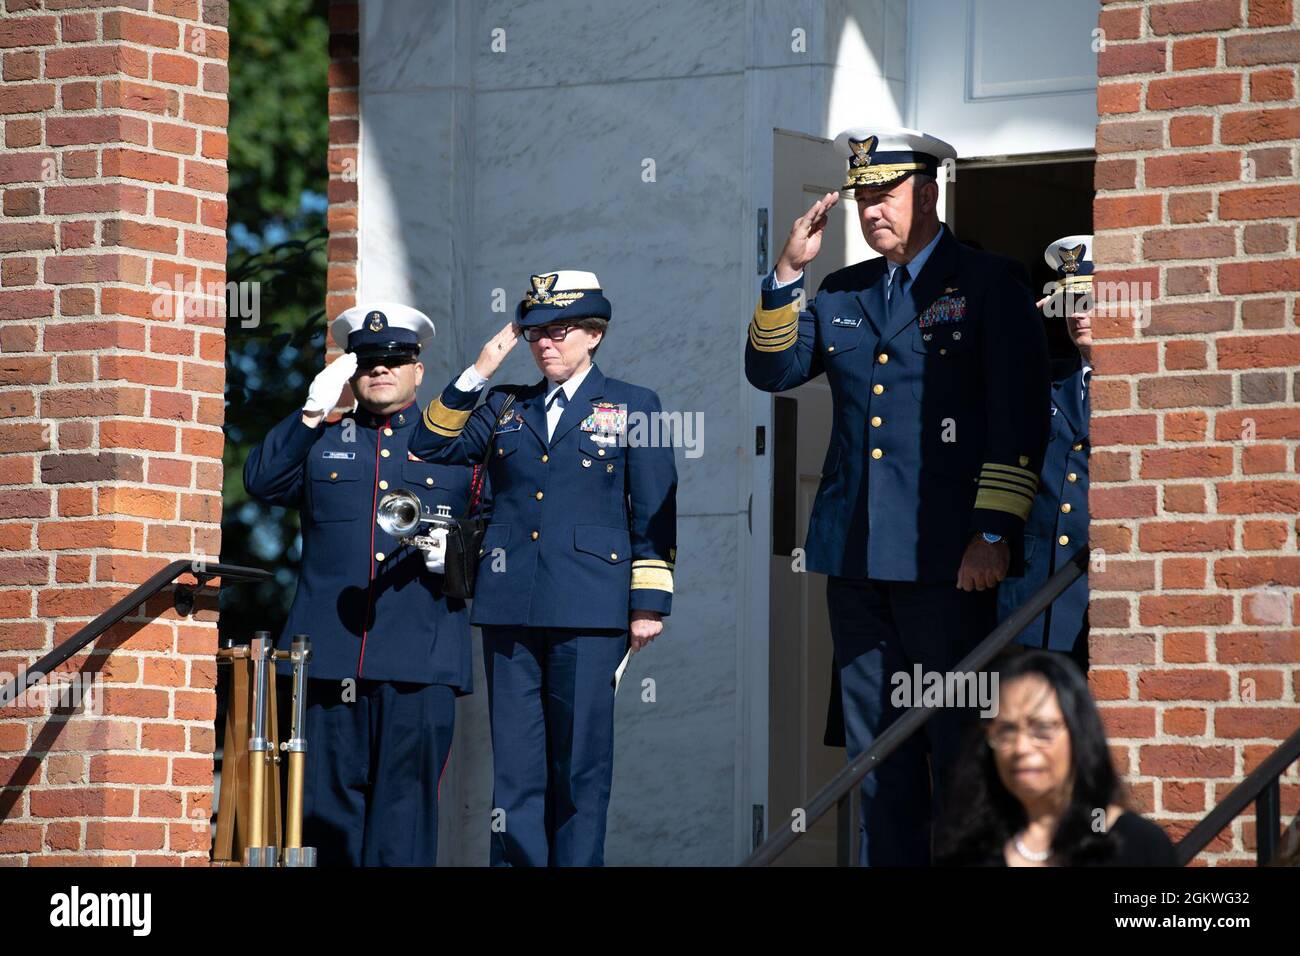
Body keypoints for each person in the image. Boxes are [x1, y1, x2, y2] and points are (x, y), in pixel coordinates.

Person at [745, 126, 1051, 865]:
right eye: (863, 199)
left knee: (955, 745)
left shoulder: (988, 284)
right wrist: (787, 272)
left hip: (949, 560)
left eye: (886, 195)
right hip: (855, 558)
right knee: (874, 750)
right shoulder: (841, 289)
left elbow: (1019, 417)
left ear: (929, 191)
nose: (873, 210)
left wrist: (994, 531)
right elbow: (773, 372)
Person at [408, 270, 678, 866]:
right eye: (532, 333)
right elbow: (430, 445)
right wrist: (479, 371)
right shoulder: (505, 405)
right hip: (511, 606)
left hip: (590, 607)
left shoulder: (635, 404)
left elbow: (656, 506)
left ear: (594, 334)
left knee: (580, 767)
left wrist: (648, 602)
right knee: (517, 771)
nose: (543, 343)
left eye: (557, 330)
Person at [243, 302, 477, 866]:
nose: (381, 370)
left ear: (418, 369)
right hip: (328, 662)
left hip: (420, 664)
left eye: (395, 360)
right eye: (369, 361)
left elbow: (495, 537)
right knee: (326, 821)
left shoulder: (457, 443)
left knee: (404, 824)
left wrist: (460, 555)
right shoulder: (322, 438)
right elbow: (262, 481)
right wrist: (309, 413)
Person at [935, 649, 1177, 866]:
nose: (1021, 747)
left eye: (1041, 729)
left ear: (1079, 733)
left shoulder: (1138, 846)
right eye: (1006, 730)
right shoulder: (970, 851)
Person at [997, 236, 1094, 672]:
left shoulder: (1145, 387)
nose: (1076, 314)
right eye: (1068, 301)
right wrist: (1017, 335)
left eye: (1090, 300)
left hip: (1097, 591)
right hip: (1038, 591)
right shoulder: (1044, 381)